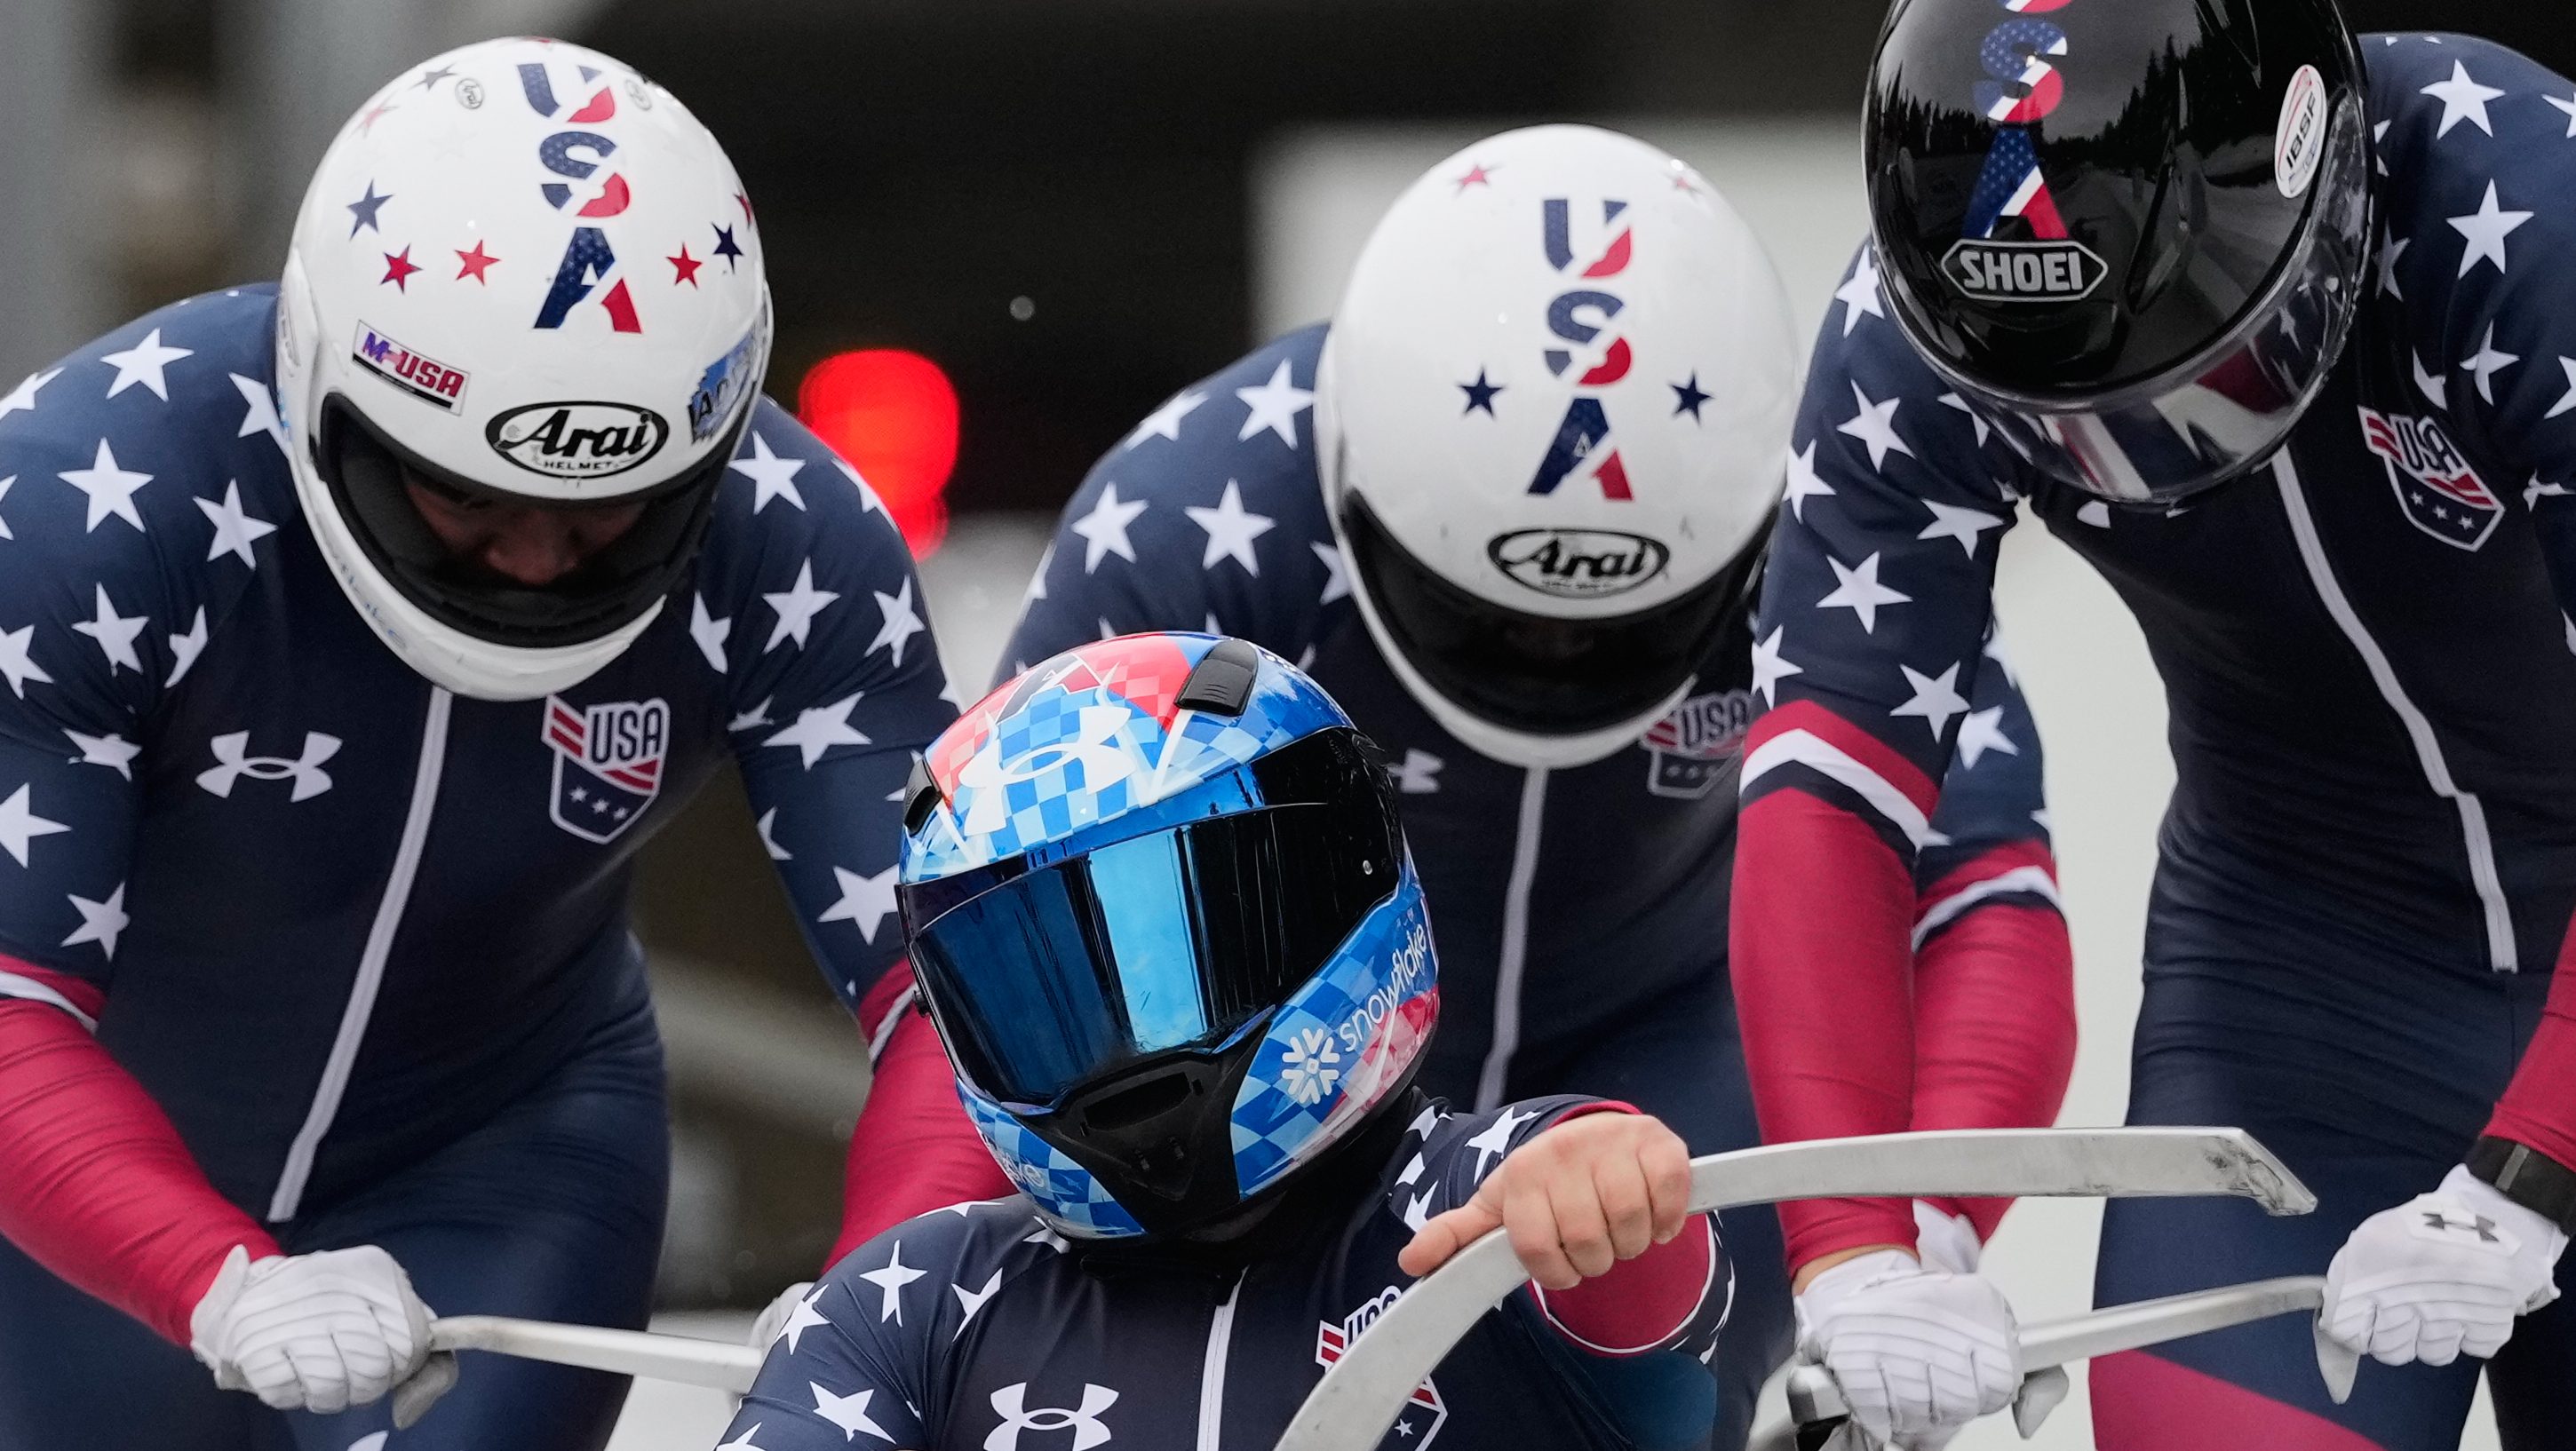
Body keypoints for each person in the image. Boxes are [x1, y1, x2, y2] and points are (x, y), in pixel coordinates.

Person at [821, 124, 2078, 1449]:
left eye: (1617, 634)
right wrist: (889, 1299)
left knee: (1669, 1395)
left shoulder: (1828, 518)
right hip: (1307, 1067)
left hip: (1678, 1039)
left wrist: (1904, 1242)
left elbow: (1981, 893)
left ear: (1746, 537)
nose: (1546, 662)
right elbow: (1004, 899)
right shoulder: (1203, 501)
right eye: (1485, 622)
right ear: (1354, 494)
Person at [0, 36, 957, 1449]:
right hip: (62, 1208)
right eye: (462, 496)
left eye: (603, 513)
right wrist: (208, 1274)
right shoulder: (86, 507)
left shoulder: (795, 542)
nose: (529, 559)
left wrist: (888, 1296)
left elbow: (964, 990)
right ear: (335, 395)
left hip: (498, 1163)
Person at [1735, 1, 2576, 1445]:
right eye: (2061, 423)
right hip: (2309, 978)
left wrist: (2539, 1164)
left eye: (2199, 376)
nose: (2136, 456)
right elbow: (1826, 785)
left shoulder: (2521, 196)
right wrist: (1853, 1241)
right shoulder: (1905, 337)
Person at [723, 630, 1733, 1451]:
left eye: (1171, 952)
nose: (1125, 1049)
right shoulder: (912, 1307)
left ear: (1341, 879)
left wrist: (1615, 1183)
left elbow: (1641, 1277)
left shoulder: (1485, 1203)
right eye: (1045, 988)